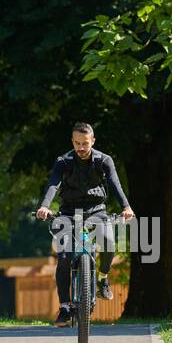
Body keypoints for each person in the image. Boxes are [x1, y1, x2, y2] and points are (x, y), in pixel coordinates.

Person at [35, 122, 134, 326]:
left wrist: (126, 207)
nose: (81, 148)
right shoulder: (63, 161)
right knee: (63, 258)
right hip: (69, 212)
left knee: (108, 242)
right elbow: (53, 183)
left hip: (96, 210)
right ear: (72, 141)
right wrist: (45, 206)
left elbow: (115, 185)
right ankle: (64, 307)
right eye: (77, 143)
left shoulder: (104, 160)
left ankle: (102, 278)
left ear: (93, 141)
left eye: (85, 143)